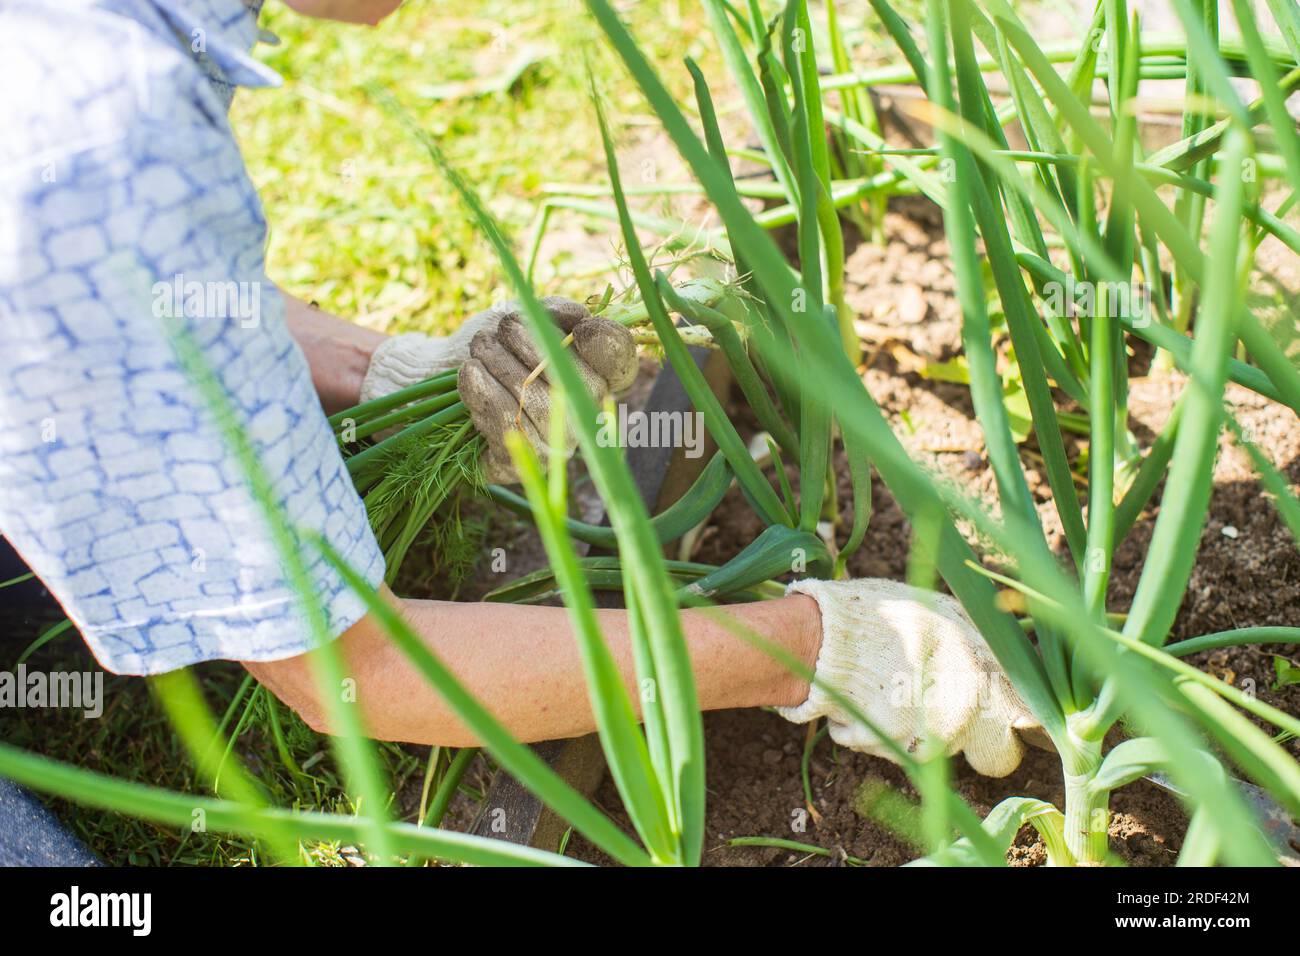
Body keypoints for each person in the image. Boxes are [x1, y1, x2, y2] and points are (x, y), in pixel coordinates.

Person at [0, 0, 1039, 828]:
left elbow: (130, 299)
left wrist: (391, 368)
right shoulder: (99, 135)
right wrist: (825, 650)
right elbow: (356, 675)